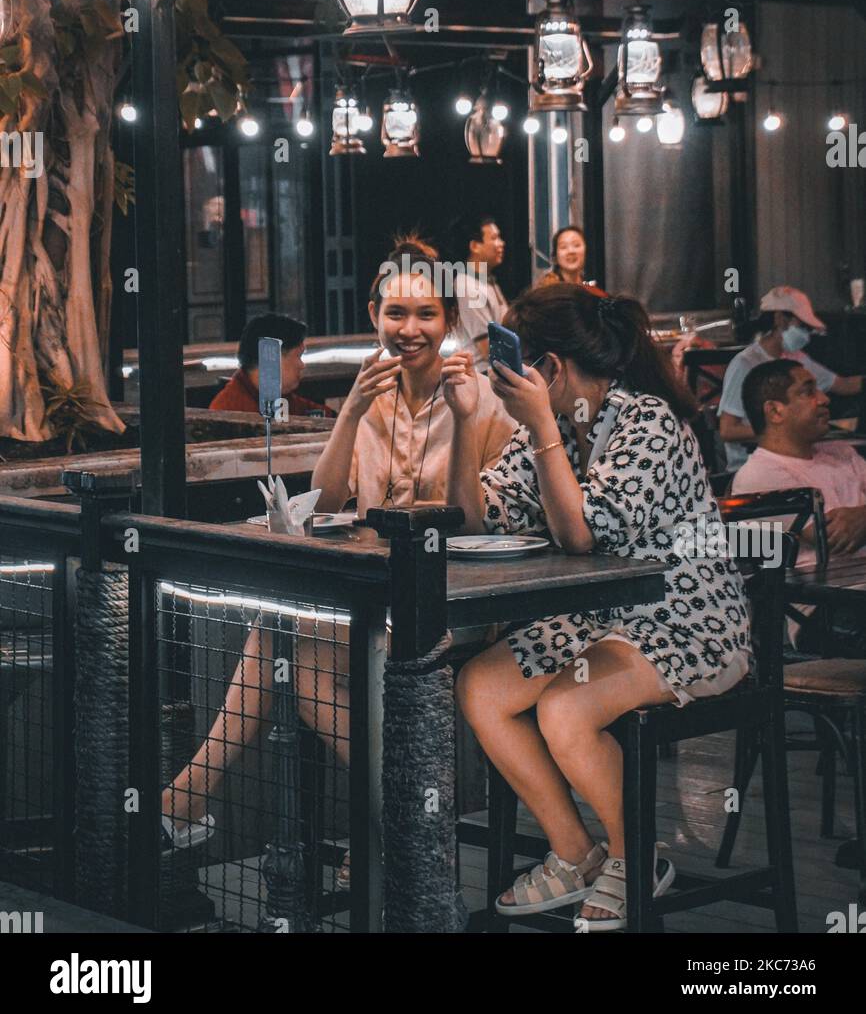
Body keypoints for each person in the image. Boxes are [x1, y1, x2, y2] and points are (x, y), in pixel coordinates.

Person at [161, 239, 515, 866]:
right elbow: (323, 499)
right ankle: (403, 815)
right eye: (395, 313)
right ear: (375, 314)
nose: (409, 329)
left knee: (284, 640)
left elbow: (472, 522)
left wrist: (461, 423)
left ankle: (185, 800)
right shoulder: (372, 394)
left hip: (454, 598)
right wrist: (349, 411)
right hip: (375, 594)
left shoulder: (481, 399)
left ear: (450, 322)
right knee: (288, 646)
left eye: (426, 314)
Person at [444, 282, 751, 931]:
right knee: (480, 687)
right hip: (595, 620)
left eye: (514, 364)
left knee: (565, 707)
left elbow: (588, 532)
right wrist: (468, 424)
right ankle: (574, 852)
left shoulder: (648, 422)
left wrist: (538, 430)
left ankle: (636, 856)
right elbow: (474, 518)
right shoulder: (550, 427)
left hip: (683, 621)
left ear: (549, 367)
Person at [732, 359, 866, 653]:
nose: (824, 399)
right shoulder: (761, 475)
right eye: (808, 392)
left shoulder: (841, 453)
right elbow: (834, 536)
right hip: (826, 612)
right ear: (775, 410)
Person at [718, 286, 862, 471]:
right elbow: (728, 430)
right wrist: (788, 431)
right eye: (802, 326)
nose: (807, 334)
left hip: (793, 456)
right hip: (752, 463)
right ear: (780, 319)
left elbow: (844, 385)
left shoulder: (796, 358)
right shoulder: (745, 363)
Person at [208, 313, 334, 418]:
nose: (302, 365)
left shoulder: (277, 397)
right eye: (298, 356)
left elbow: (325, 417)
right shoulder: (230, 412)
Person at [449, 214, 509, 366]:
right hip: (484, 376)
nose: (501, 243)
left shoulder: (487, 281)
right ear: (475, 246)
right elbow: (488, 348)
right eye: (494, 238)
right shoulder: (467, 286)